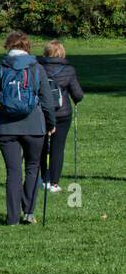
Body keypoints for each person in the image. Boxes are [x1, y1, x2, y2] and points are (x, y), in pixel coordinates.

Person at [0, 31, 56, 225]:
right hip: (34, 126)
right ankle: (29, 212)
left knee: (13, 172)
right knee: (33, 168)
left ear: (8, 46)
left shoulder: (1, 67)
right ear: (27, 47)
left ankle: (12, 217)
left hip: (7, 128)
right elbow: (48, 101)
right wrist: (51, 123)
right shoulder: (37, 68)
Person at [36, 40, 84, 193]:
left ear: (46, 53)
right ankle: (54, 183)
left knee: (41, 146)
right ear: (62, 53)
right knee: (58, 147)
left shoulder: (37, 68)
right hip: (62, 114)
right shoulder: (68, 70)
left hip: (41, 112)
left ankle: (44, 179)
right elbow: (77, 94)